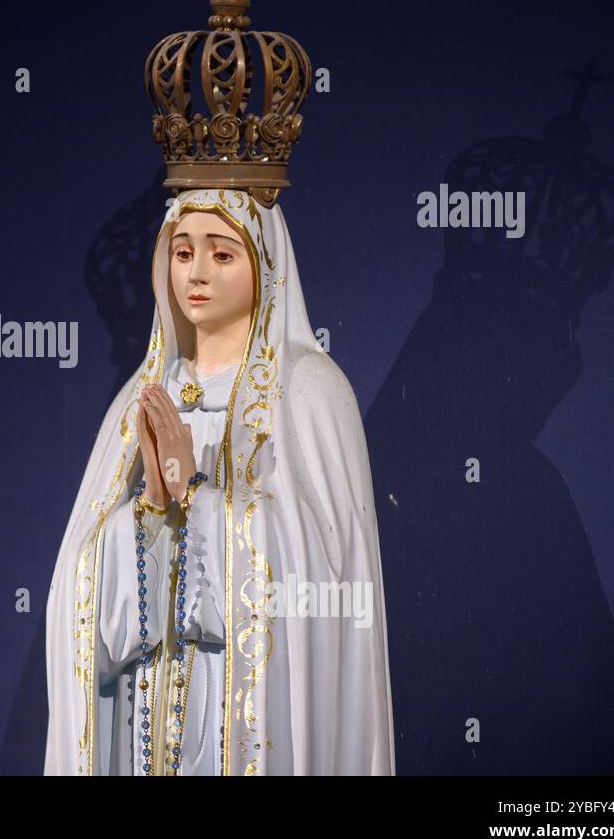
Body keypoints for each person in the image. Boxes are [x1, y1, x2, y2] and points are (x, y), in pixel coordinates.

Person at [44, 187, 395, 775]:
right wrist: (148, 514)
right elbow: (79, 589)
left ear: (265, 265)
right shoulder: (142, 396)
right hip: (148, 712)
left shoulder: (307, 390)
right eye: (183, 253)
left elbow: (319, 579)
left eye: (222, 254)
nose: (196, 273)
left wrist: (196, 495)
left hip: (244, 711)